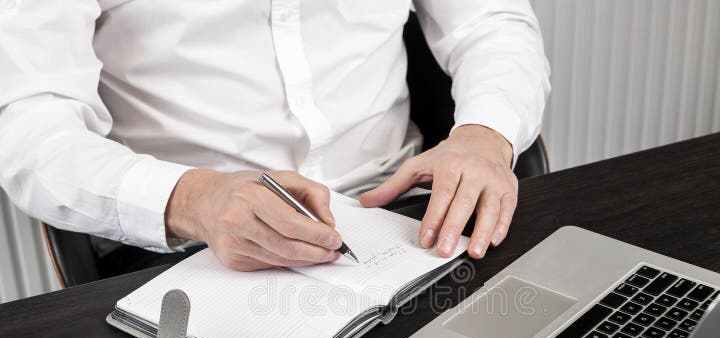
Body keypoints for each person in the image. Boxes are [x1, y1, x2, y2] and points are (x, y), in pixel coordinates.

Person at [0, 1, 550, 274]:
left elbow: (490, 21)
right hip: (196, 246)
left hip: (409, 213)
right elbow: (28, 128)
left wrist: (485, 135)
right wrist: (192, 200)